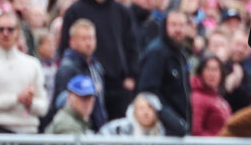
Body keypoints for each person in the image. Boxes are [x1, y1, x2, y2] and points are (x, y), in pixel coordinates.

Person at [56, 0, 138, 118]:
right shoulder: (75, 11)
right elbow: (66, 46)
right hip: (86, 84)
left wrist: (131, 77)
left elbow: (132, 45)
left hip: (118, 85)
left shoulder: (122, 11)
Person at [0, 11, 47, 133]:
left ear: (18, 32)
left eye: (10, 29)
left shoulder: (33, 64)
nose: (5, 33)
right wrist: (16, 99)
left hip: (29, 131)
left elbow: (43, 106)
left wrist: (30, 103)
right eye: (0, 29)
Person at [138, 9, 194, 137]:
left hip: (181, 127)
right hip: (162, 131)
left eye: (181, 25)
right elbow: (148, 91)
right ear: (165, 26)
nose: (178, 30)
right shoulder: (157, 53)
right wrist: (171, 119)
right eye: (173, 25)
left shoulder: (181, 55)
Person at [49, 18, 107, 131]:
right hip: (75, 130)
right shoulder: (67, 68)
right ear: (72, 42)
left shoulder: (96, 66)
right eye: (84, 39)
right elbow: (63, 103)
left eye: (91, 38)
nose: (88, 43)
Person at [190, 54, 232, 136]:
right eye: (208, 69)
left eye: (215, 70)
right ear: (201, 72)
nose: (212, 74)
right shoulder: (197, 97)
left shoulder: (217, 96)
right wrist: (220, 141)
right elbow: (196, 132)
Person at [98, 91, 166, 137]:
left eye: (150, 108)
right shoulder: (119, 128)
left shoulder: (160, 131)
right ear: (134, 111)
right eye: (141, 108)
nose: (146, 112)